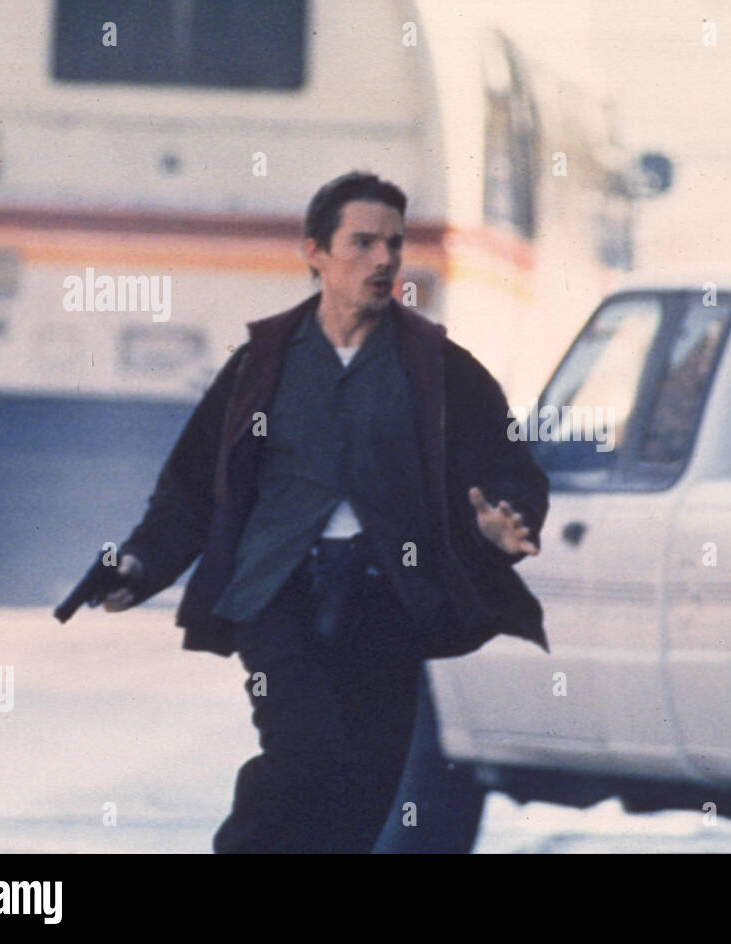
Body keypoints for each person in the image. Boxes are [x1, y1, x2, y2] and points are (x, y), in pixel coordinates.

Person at [82, 171, 550, 852]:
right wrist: (138, 563)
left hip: (392, 597)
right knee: (304, 754)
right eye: (362, 243)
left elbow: (510, 470)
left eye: (393, 243)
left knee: (367, 791)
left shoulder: (440, 368)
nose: (384, 260)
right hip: (277, 591)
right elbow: (188, 488)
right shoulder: (261, 366)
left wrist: (504, 526)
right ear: (315, 253)